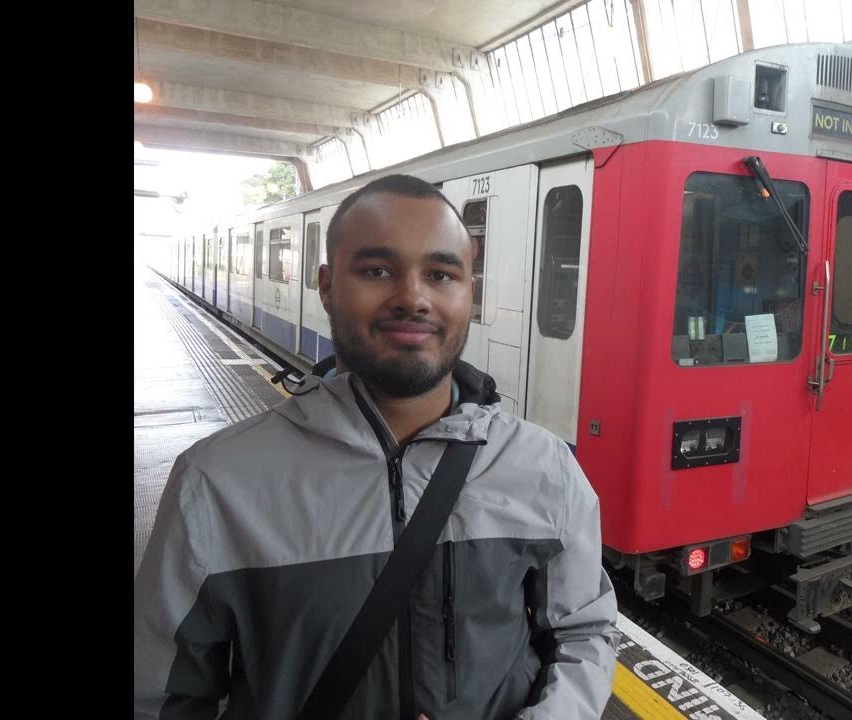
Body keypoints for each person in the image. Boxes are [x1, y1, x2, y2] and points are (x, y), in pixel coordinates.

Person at [134, 174, 619, 719]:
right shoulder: (216, 483)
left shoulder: (544, 467)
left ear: (469, 293)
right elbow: (164, 697)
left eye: (441, 274)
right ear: (324, 285)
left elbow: (584, 632)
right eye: (377, 270)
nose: (413, 297)